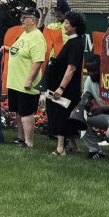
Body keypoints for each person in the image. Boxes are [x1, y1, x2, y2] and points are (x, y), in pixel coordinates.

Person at [2, 8, 45, 148]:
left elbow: (38, 61)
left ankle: (29, 142)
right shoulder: (25, 34)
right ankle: (21, 138)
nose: (22, 19)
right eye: (22, 16)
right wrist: (7, 49)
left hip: (26, 83)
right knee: (19, 112)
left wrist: (29, 80)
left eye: (25, 17)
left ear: (33, 20)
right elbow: (21, 52)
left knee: (27, 113)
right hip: (16, 82)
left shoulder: (37, 37)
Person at [44, 11, 85, 156]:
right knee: (67, 116)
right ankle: (74, 146)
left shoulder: (75, 43)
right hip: (65, 86)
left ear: (74, 26)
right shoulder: (73, 41)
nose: (64, 25)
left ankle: (60, 148)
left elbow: (71, 68)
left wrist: (61, 88)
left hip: (67, 88)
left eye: (67, 23)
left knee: (61, 115)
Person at [80, 54, 109, 159]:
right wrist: (85, 104)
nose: (91, 74)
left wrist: (102, 109)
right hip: (104, 114)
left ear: (103, 68)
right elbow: (86, 96)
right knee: (78, 117)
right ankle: (95, 150)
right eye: (89, 71)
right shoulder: (89, 80)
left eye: (95, 70)